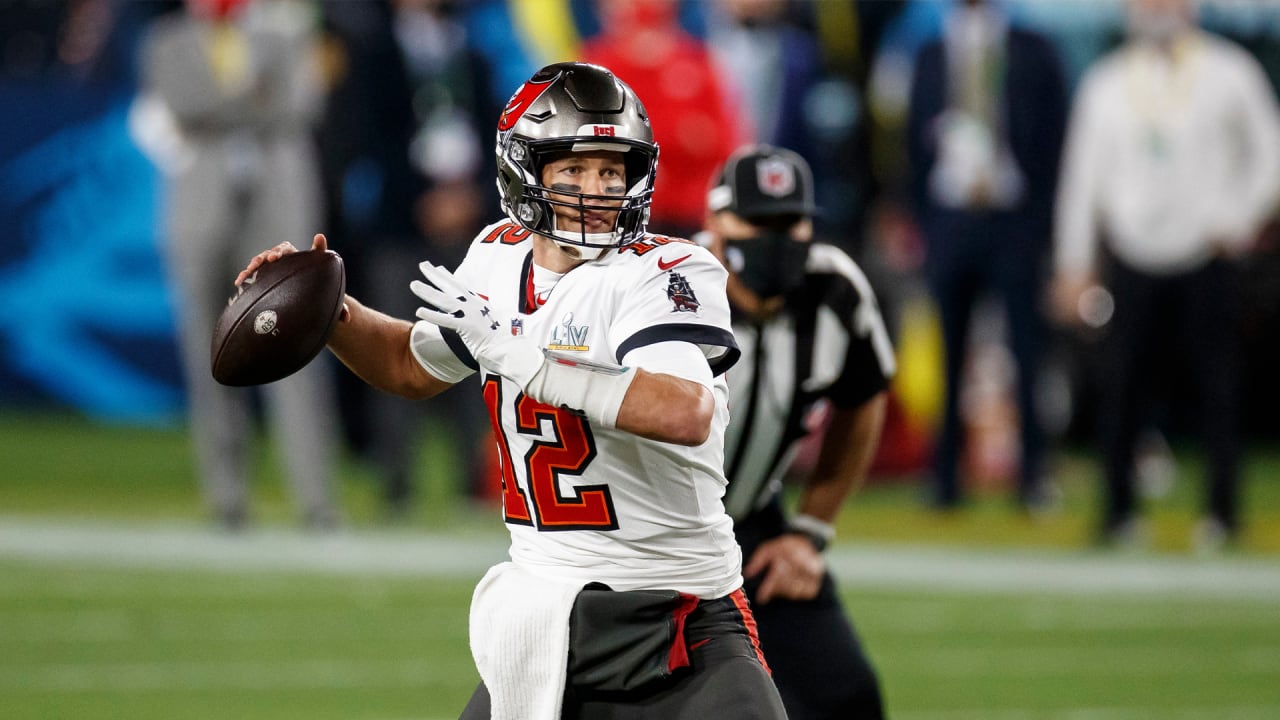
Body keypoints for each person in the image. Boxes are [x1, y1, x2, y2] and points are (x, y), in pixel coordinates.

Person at [236, 62, 787, 719]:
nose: (597, 188)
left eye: (613, 169)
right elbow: (415, 366)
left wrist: (525, 357)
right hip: (545, 618)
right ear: (526, 171)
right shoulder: (497, 257)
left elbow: (685, 410)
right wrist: (332, 313)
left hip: (679, 621)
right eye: (573, 168)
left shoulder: (666, 271)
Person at [1051, 0, 1280, 550]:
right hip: (1132, 252)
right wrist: (1073, 262)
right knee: (1122, 388)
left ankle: (1222, 515)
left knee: (1218, 388)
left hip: (1207, 251)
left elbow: (1271, 155)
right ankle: (1116, 514)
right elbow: (1081, 178)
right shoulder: (1106, 83)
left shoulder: (1231, 72)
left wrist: (1240, 219)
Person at [698, 144, 895, 719]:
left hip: (754, 527)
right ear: (713, 222)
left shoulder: (833, 289)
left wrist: (811, 531)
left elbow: (863, 397)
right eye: (758, 222)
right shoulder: (663, 289)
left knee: (845, 696)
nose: (777, 238)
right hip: (654, 542)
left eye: (791, 221)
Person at [140, 0, 341, 531]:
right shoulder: (168, 39)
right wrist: (253, 95)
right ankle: (227, 498)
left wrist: (223, 104)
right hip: (200, 210)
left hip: (277, 206)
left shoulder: (287, 29)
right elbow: (180, 105)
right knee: (211, 356)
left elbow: (300, 104)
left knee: (295, 347)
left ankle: (316, 499)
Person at [906, 0, 1068, 511]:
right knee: (949, 352)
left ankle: (1034, 476)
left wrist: (1043, 220)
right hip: (951, 215)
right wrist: (917, 216)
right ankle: (946, 480)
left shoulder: (1031, 49)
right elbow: (911, 139)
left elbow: (1055, 135)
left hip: (1010, 213)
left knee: (1026, 350)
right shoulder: (931, 52)